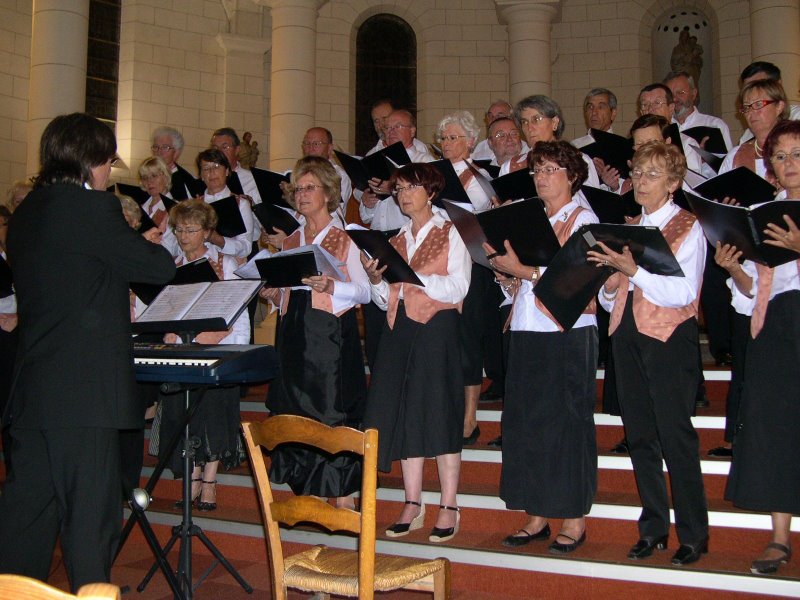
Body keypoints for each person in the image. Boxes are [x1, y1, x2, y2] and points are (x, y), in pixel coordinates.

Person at [0, 112, 175, 590]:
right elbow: (157, 269)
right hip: (83, 392)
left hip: (32, 389)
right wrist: (141, 242)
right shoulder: (93, 209)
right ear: (91, 160)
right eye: (107, 163)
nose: (107, 174)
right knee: (88, 514)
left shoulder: (25, 214)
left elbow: (71, 274)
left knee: (26, 514)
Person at [589, 141, 709, 566]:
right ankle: (654, 527)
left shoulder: (688, 226)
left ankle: (694, 533)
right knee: (639, 434)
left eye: (652, 174)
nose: (641, 180)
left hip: (668, 337)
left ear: (674, 183)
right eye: (638, 172)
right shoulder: (629, 226)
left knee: (675, 436)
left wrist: (633, 271)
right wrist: (608, 286)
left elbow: (683, 293)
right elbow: (611, 299)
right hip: (626, 334)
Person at [487, 141, 598, 554]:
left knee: (567, 424)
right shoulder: (533, 218)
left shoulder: (584, 219)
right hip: (527, 328)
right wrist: (506, 273)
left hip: (568, 332)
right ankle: (536, 514)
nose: (542, 177)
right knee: (527, 422)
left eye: (551, 169)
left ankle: (573, 517)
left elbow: (578, 281)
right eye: (537, 170)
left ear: (572, 175)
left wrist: (525, 270)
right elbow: (522, 283)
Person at [362, 162, 471, 543]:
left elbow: (458, 288)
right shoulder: (394, 241)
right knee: (405, 410)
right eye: (399, 190)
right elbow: (381, 300)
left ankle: (449, 504)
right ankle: (412, 501)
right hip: (398, 330)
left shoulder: (453, 232)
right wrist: (378, 281)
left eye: (411, 188)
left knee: (439, 409)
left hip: (436, 329)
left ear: (431, 192)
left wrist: (414, 278)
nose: (404, 195)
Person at [262, 156, 369, 508]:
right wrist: (273, 293)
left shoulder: (345, 238)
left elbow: (366, 292)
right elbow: (287, 293)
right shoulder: (291, 240)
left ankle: (341, 488)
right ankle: (307, 485)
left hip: (329, 333)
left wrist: (331, 286)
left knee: (329, 407)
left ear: (328, 193)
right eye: (298, 188)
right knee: (296, 404)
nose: (301, 194)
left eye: (309, 188)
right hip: (293, 330)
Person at [724, 119, 800, 575]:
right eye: (780, 156)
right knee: (775, 426)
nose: (788, 163)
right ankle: (779, 538)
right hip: (774, 322)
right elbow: (752, 290)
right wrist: (733, 268)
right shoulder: (765, 211)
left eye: (796, 153)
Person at [706, 79, 789, 458]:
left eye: (761, 104)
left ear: (781, 106)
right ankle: (738, 434)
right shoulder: (737, 155)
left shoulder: (794, 147)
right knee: (746, 350)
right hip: (750, 264)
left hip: (789, 273)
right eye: (748, 106)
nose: (754, 112)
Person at [157, 199, 249, 510]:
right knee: (186, 414)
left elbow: (239, 314)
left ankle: (209, 481)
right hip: (183, 350)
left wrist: (234, 352)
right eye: (179, 229)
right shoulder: (173, 267)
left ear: (207, 232)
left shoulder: (227, 264)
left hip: (219, 348)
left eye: (191, 229)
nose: (183, 236)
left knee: (213, 415)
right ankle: (191, 477)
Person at [435, 110, 492, 445]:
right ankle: (446, 410)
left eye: (453, 137)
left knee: (468, 341)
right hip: (440, 264)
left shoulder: (478, 175)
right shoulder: (433, 175)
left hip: (471, 263)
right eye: (443, 138)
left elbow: (479, 212)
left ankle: (469, 418)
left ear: (471, 142)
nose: (446, 143)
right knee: (445, 339)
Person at [738, 61, 800, 143]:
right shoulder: (747, 136)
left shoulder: (797, 116)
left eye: (760, 85)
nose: (752, 91)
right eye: (748, 87)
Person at [151, 126, 203, 199]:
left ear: (176, 153)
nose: (159, 152)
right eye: (156, 147)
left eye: (165, 147)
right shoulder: (148, 176)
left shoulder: (184, 181)